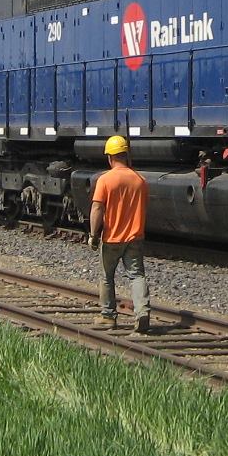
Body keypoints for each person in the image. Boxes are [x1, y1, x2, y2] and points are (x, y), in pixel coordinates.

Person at [88, 134, 153, 333]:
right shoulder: (140, 180)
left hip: (111, 238)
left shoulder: (105, 180)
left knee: (107, 277)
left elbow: (97, 209)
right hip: (134, 238)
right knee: (136, 276)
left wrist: (93, 234)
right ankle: (142, 312)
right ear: (126, 155)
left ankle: (108, 316)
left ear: (110, 157)